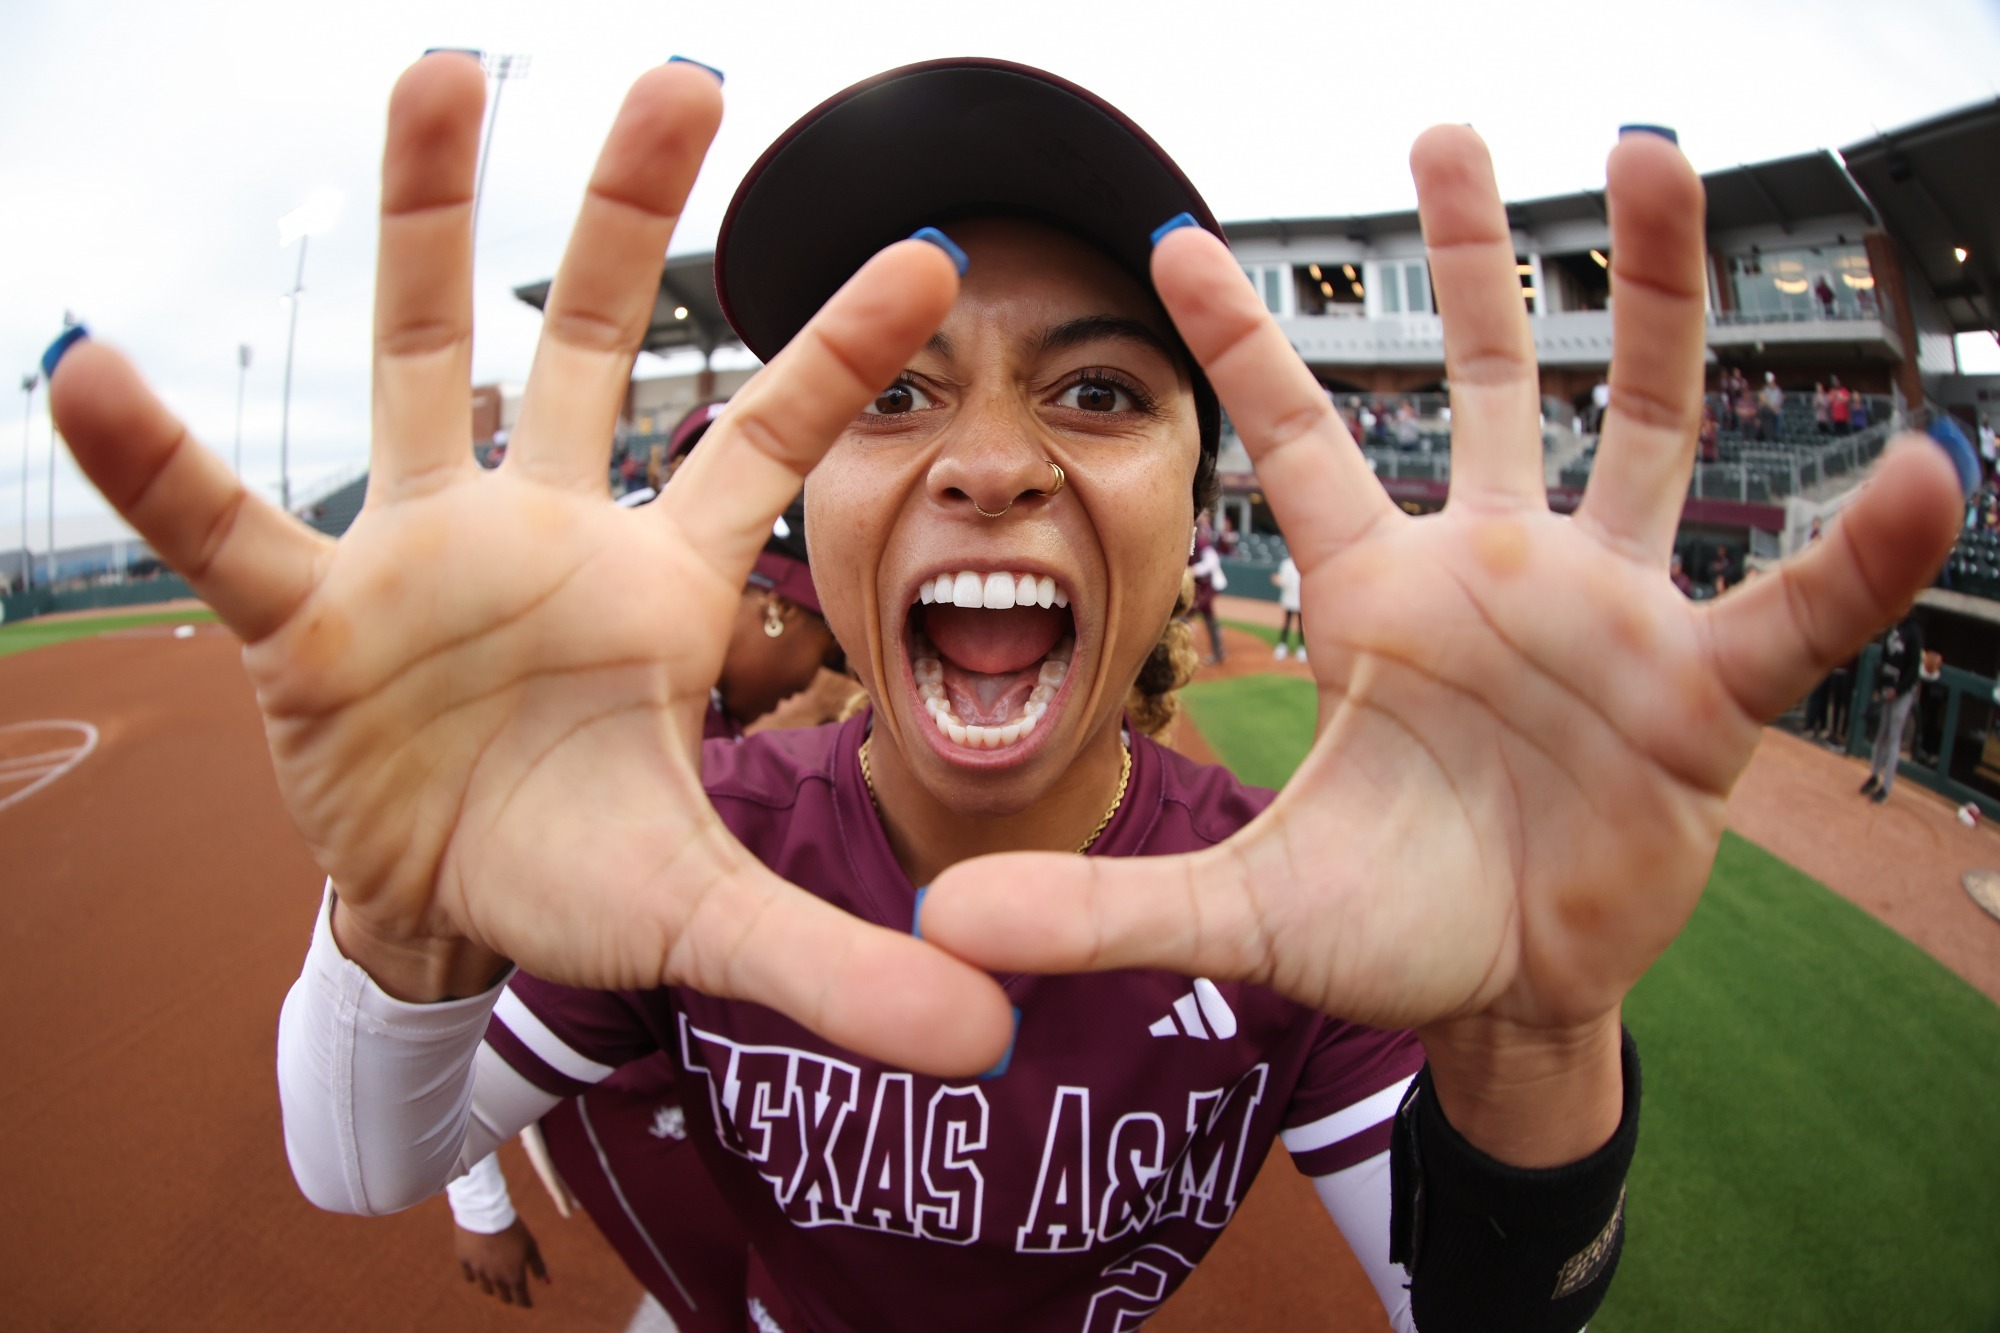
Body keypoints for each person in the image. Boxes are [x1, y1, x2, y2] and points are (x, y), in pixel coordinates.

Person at [45, 53, 1967, 1333]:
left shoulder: (1320, 890)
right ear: (806, 490)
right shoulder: (685, 838)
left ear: (1195, 506)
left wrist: (1536, 1025)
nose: (985, 459)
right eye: (888, 390)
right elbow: (364, 1159)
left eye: (1099, 389)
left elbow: (1490, 1308)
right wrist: (406, 902)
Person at [1860, 612, 1926, 804]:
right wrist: (1879, 687)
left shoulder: (1914, 633)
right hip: (1888, 688)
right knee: (1881, 734)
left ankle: (1886, 786)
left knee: (1894, 737)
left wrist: (1898, 690)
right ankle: (1873, 775)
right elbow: (1884, 658)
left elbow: (1914, 669)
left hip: (1902, 692)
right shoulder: (1892, 627)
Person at [1186, 514, 1228, 665]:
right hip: (1197, 588)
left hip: (1204, 588)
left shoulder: (1200, 541)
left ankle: (1178, 652)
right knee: (1208, 617)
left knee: (1185, 616)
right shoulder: (1189, 541)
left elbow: (1212, 561)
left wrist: (1193, 571)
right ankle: (1218, 651)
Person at [1271, 553, 1304, 661]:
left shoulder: (1302, 564)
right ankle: (1282, 646)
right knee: (1287, 623)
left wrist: (1278, 579)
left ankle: (1301, 648)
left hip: (1300, 600)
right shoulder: (1287, 564)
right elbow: (1284, 581)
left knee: (1300, 626)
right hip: (1290, 600)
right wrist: (1278, 580)